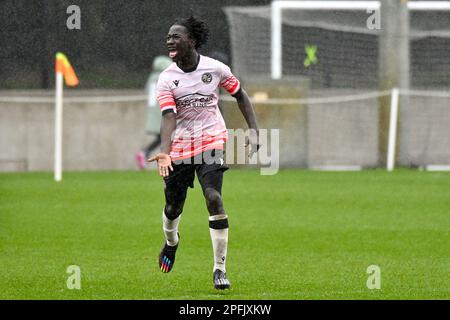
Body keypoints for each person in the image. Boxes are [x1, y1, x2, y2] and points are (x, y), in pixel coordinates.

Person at [148, 16, 260, 290]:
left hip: (212, 139)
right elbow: (168, 116)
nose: (169, 41)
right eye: (168, 36)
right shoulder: (167, 79)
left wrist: (254, 130)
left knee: (214, 198)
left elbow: (240, 95)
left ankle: (219, 270)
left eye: (176, 36)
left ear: (192, 41)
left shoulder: (216, 69)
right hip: (181, 147)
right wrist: (165, 152)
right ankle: (171, 243)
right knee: (174, 207)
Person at [136, 55, 173, 169]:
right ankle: (148, 153)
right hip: (163, 111)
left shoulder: (152, 78)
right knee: (166, 136)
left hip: (154, 111)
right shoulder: (164, 77)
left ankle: (148, 153)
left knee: (163, 137)